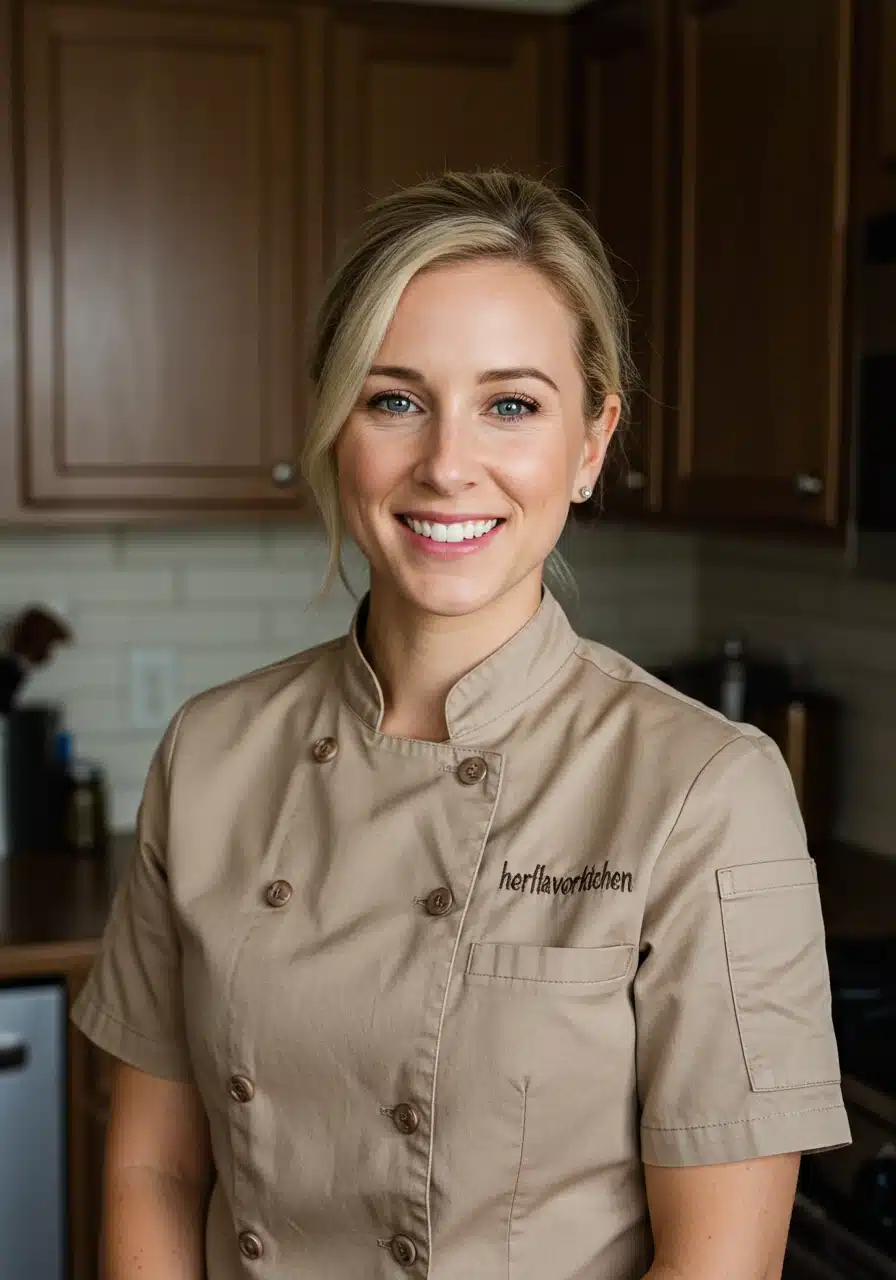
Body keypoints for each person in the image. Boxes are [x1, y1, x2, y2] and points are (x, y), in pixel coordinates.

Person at [71, 170, 849, 1280]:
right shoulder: (211, 753)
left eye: (511, 404)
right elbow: (152, 1169)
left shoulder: (702, 787)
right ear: (336, 426)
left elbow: (717, 1264)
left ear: (589, 444)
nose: (445, 463)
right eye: (393, 399)